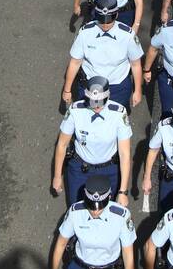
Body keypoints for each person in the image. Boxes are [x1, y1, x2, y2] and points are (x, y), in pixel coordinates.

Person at [53, 74, 132, 206]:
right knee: (76, 208)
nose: (96, 108)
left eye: (100, 104)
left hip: (109, 170)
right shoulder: (75, 110)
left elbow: (125, 153)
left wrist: (123, 191)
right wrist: (57, 176)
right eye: (92, 103)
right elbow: (62, 144)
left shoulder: (119, 113)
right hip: (80, 169)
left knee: (106, 210)